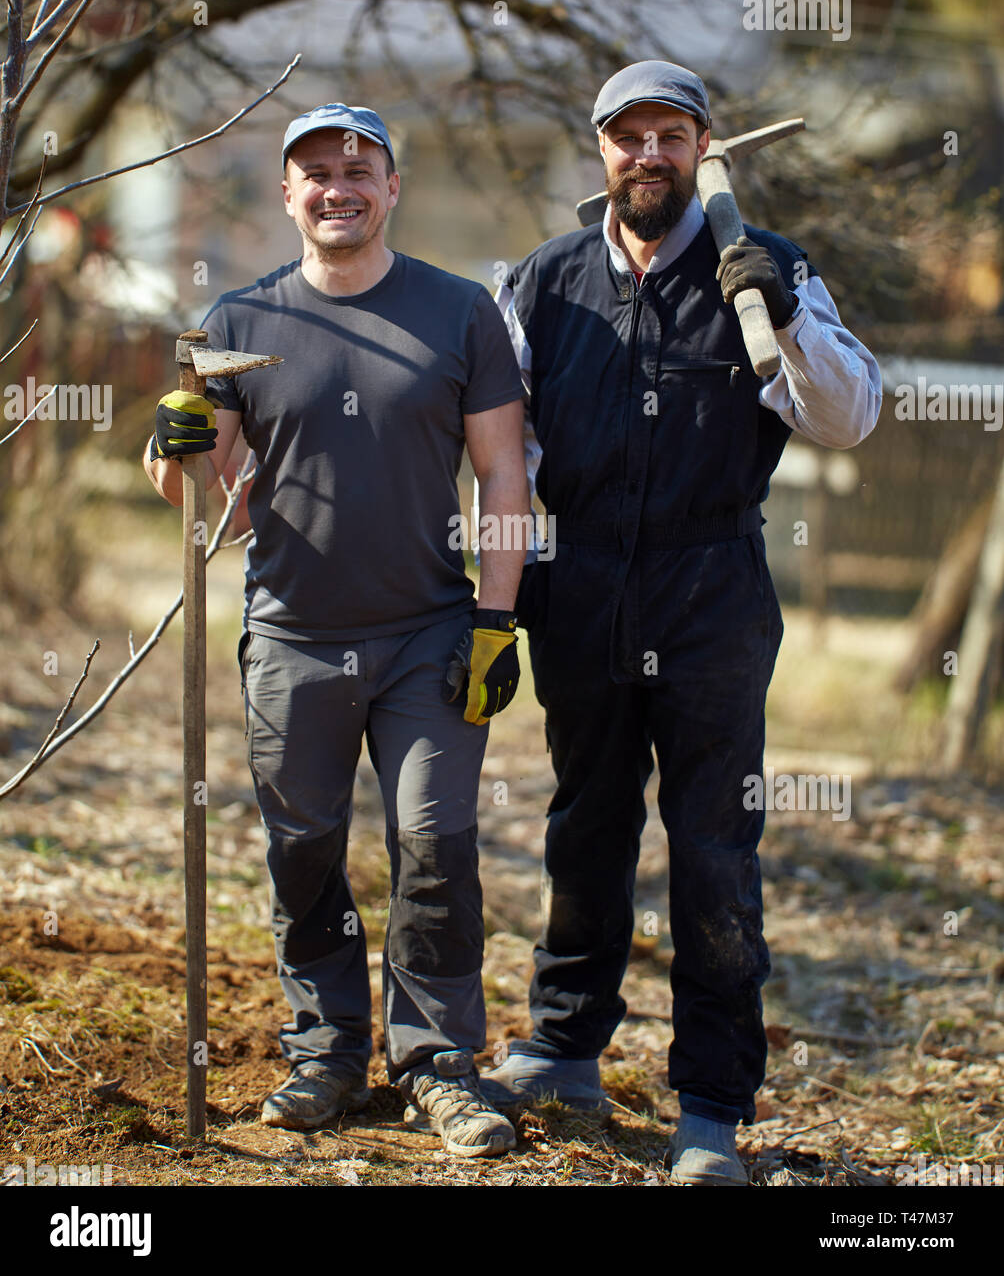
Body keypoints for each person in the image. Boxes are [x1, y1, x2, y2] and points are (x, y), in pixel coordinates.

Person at [481, 60, 882, 1184]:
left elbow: (849, 417)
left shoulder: (765, 271)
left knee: (712, 850)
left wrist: (788, 308)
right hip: (583, 586)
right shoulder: (543, 283)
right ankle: (562, 1044)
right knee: (584, 825)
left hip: (712, 591)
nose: (646, 155)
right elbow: (505, 452)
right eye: (627, 136)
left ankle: (710, 1101)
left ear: (703, 148)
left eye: (669, 135)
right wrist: (492, 599)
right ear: (599, 150)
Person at [144, 102, 530, 1158]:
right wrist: (173, 442)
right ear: (287, 194)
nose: (337, 186)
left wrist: (497, 618)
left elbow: (502, 471)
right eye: (314, 172)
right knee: (303, 849)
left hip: (428, 634)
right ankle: (324, 1049)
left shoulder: (458, 314)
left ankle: (437, 1063)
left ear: (391, 187)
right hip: (292, 637)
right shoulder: (239, 322)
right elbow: (195, 495)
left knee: (434, 842)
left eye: (358, 169)